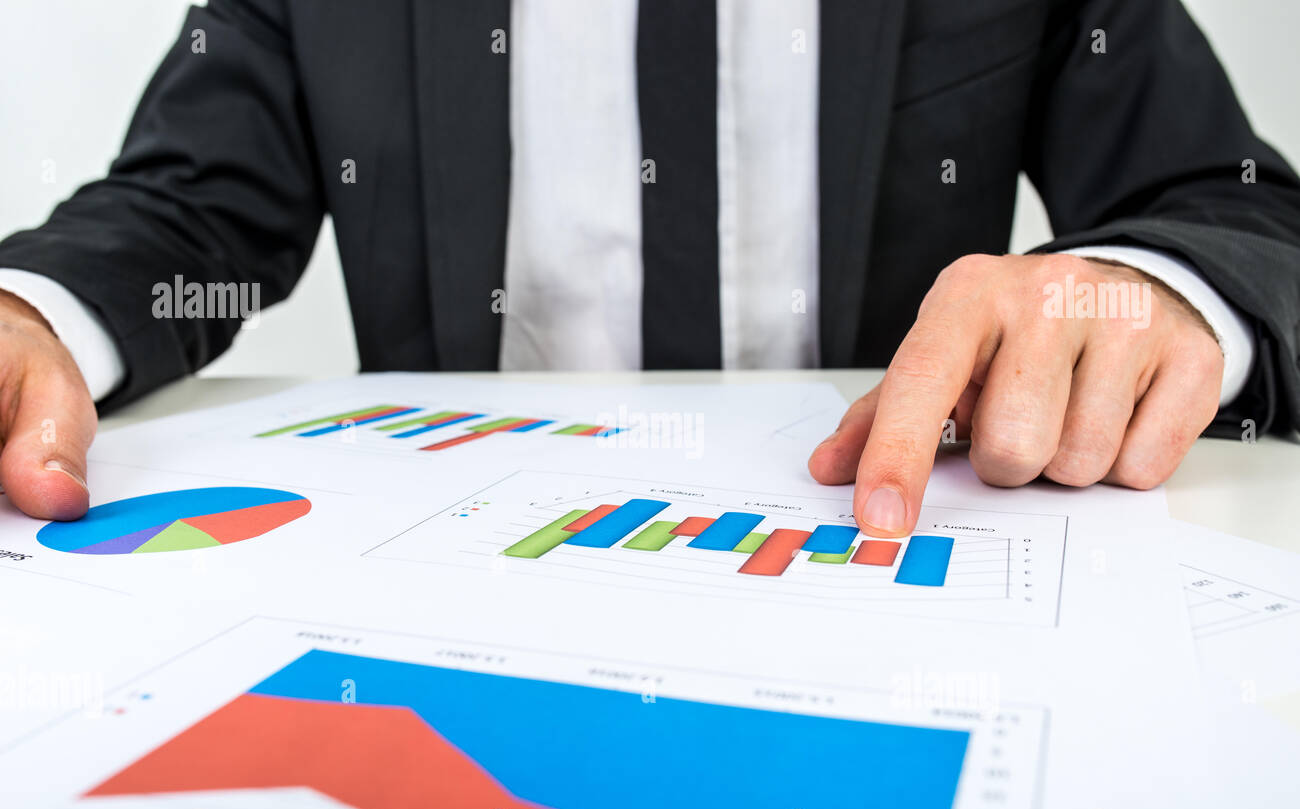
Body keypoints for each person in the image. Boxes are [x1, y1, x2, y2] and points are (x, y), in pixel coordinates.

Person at [1, 0, 1297, 537]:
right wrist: (37, 313)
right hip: (441, 575)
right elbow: (190, 215)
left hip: (891, 548)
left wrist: (1139, 286)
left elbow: (1225, 203)